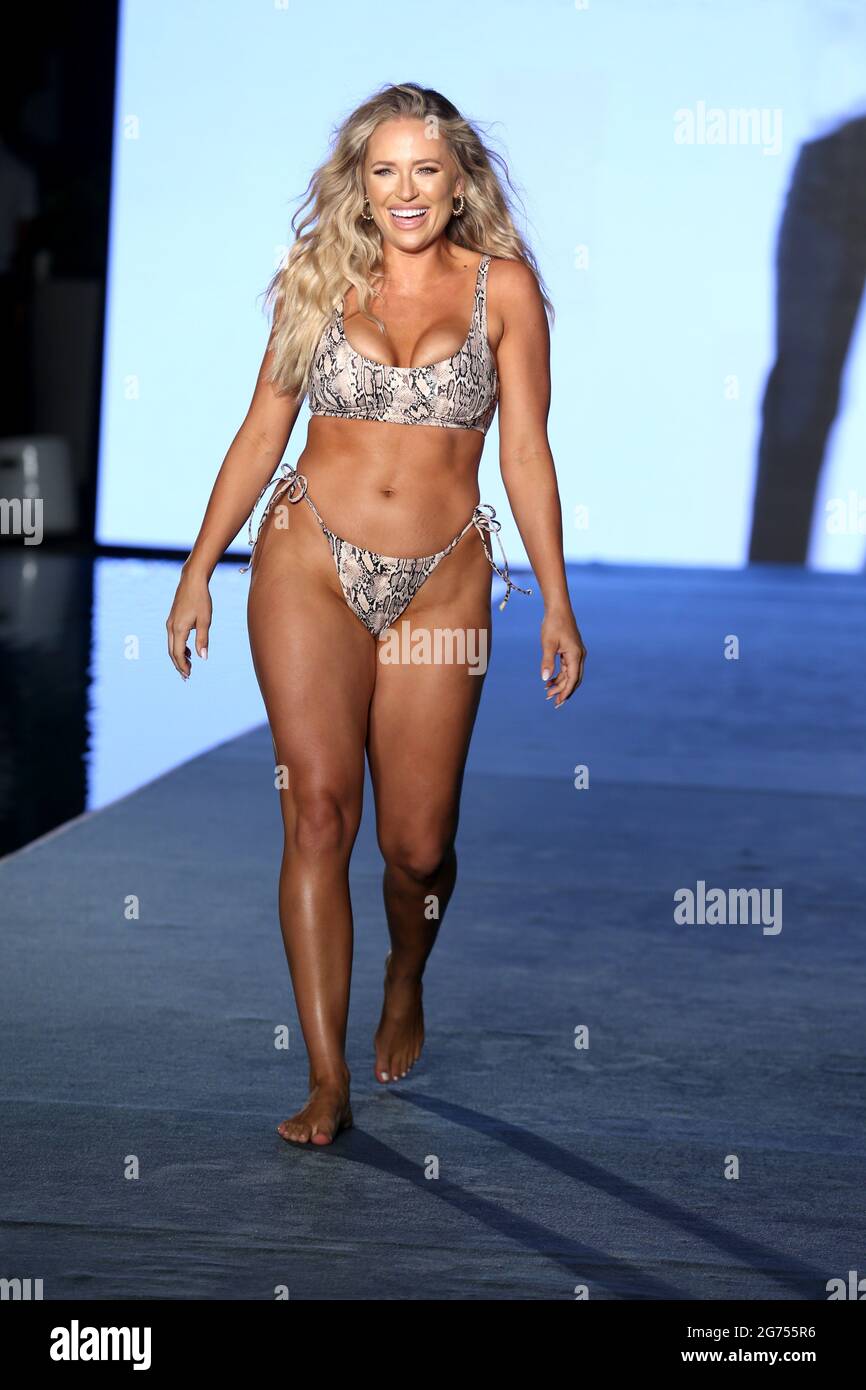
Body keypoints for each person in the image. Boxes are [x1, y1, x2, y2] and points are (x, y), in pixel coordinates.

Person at [166, 83, 586, 1146]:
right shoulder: (320, 284)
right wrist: (196, 566)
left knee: (414, 845)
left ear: (457, 182)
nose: (405, 191)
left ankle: (407, 973)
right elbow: (261, 434)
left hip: (444, 577)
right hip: (307, 558)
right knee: (315, 809)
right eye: (384, 170)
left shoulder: (507, 292)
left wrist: (557, 603)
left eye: (426, 171)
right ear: (361, 181)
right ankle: (324, 1077)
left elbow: (525, 452)